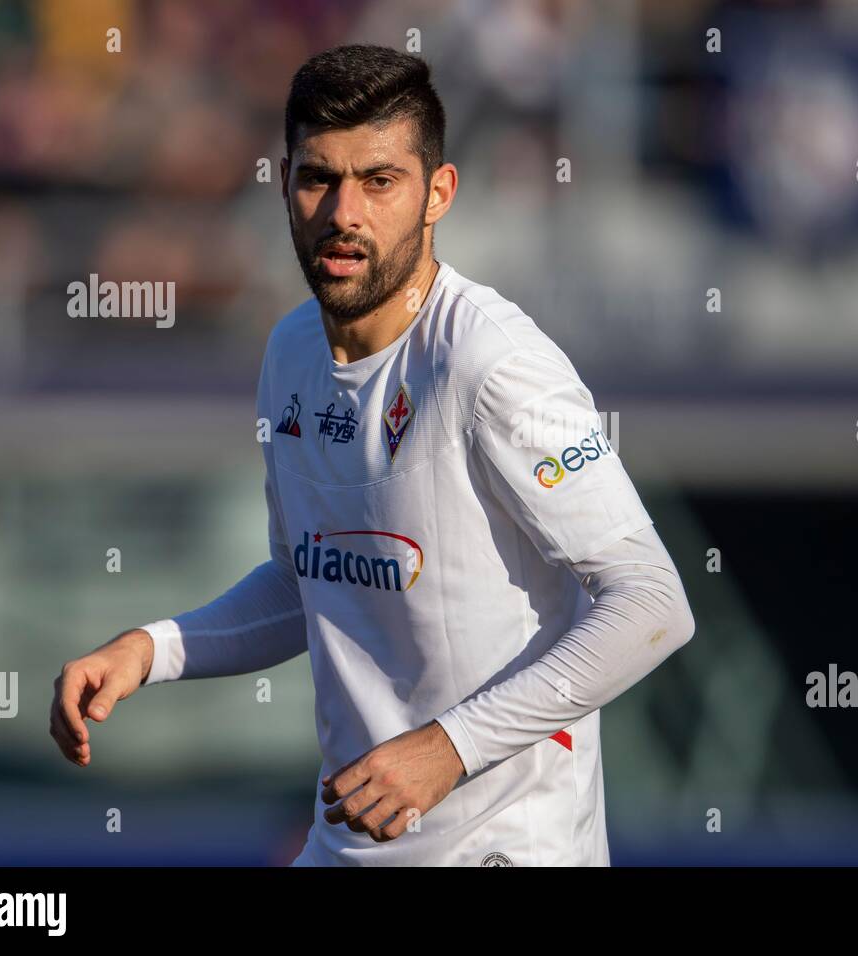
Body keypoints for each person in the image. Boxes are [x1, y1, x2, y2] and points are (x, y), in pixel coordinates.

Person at [48, 43, 695, 866]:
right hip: (349, 845)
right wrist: (150, 650)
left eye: (380, 181)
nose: (344, 211)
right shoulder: (289, 352)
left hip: (506, 850)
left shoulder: (491, 363)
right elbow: (304, 579)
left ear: (438, 194)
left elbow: (653, 604)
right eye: (320, 177)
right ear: (285, 186)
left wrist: (449, 748)